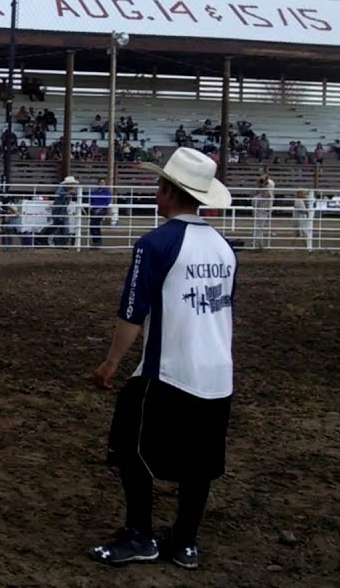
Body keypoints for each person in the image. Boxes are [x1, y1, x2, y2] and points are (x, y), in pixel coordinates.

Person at [89, 147, 237, 571]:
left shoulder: (155, 244)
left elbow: (132, 311)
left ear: (169, 192)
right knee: (200, 462)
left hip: (170, 369)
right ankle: (185, 541)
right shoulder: (224, 249)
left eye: (160, 186)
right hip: (217, 373)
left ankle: (139, 533)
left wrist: (112, 362)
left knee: (129, 446)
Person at [89, 179, 112, 248]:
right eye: (100, 183)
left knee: (93, 224)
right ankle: (97, 242)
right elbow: (91, 200)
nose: (102, 184)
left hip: (102, 210)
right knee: (95, 225)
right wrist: (91, 207)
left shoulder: (107, 192)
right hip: (94, 210)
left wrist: (99, 209)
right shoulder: (94, 192)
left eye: (103, 183)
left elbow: (107, 202)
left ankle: (97, 241)